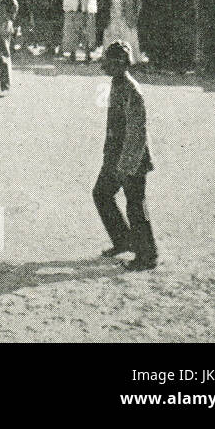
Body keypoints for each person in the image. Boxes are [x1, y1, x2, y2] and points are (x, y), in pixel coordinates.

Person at [92, 41, 158, 271]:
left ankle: (148, 255)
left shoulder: (131, 90)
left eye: (108, 63)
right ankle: (123, 240)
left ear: (120, 64)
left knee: (135, 205)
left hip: (132, 159)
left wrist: (126, 166)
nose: (103, 67)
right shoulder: (117, 83)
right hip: (115, 156)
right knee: (101, 194)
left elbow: (136, 134)